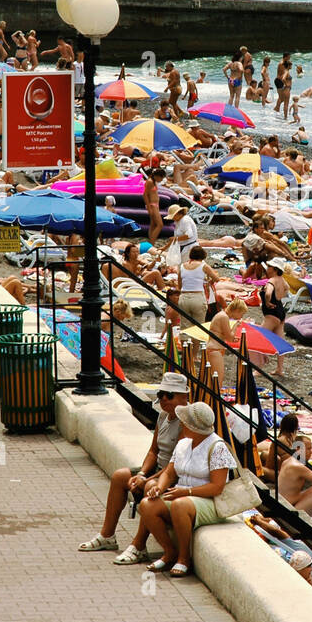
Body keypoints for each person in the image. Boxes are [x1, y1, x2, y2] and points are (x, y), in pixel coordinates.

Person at [79, 372, 188, 564]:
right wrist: (143, 473)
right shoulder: (163, 416)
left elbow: (175, 464)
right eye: (160, 394)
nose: (163, 399)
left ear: (183, 397)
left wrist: (146, 479)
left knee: (148, 487)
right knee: (120, 476)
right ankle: (107, 535)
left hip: (173, 475)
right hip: (157, 470)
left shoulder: (186, 422)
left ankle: (139, 545)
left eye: (169, 395)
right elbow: (153, 451)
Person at [138, 401, 235, 577]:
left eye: (185, 421)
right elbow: (169, 472)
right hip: (183, 495)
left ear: (193, 426)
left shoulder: (217, 447)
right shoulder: (183, 444)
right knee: (147, 505)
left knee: (179, 505)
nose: (181, 423)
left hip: (208, 500)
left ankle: (184, 558)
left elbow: (217, 487)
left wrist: (187, 492)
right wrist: (159, 488)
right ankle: (169, 552)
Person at [172, 245, 216, 326]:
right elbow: (216, 278)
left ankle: (184, 339)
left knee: (184, 327)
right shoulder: (204, 266)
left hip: (184, 297)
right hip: (198, 297)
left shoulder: (182, 266)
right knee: (199, 327)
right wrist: (210, 281)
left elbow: (180, 284)